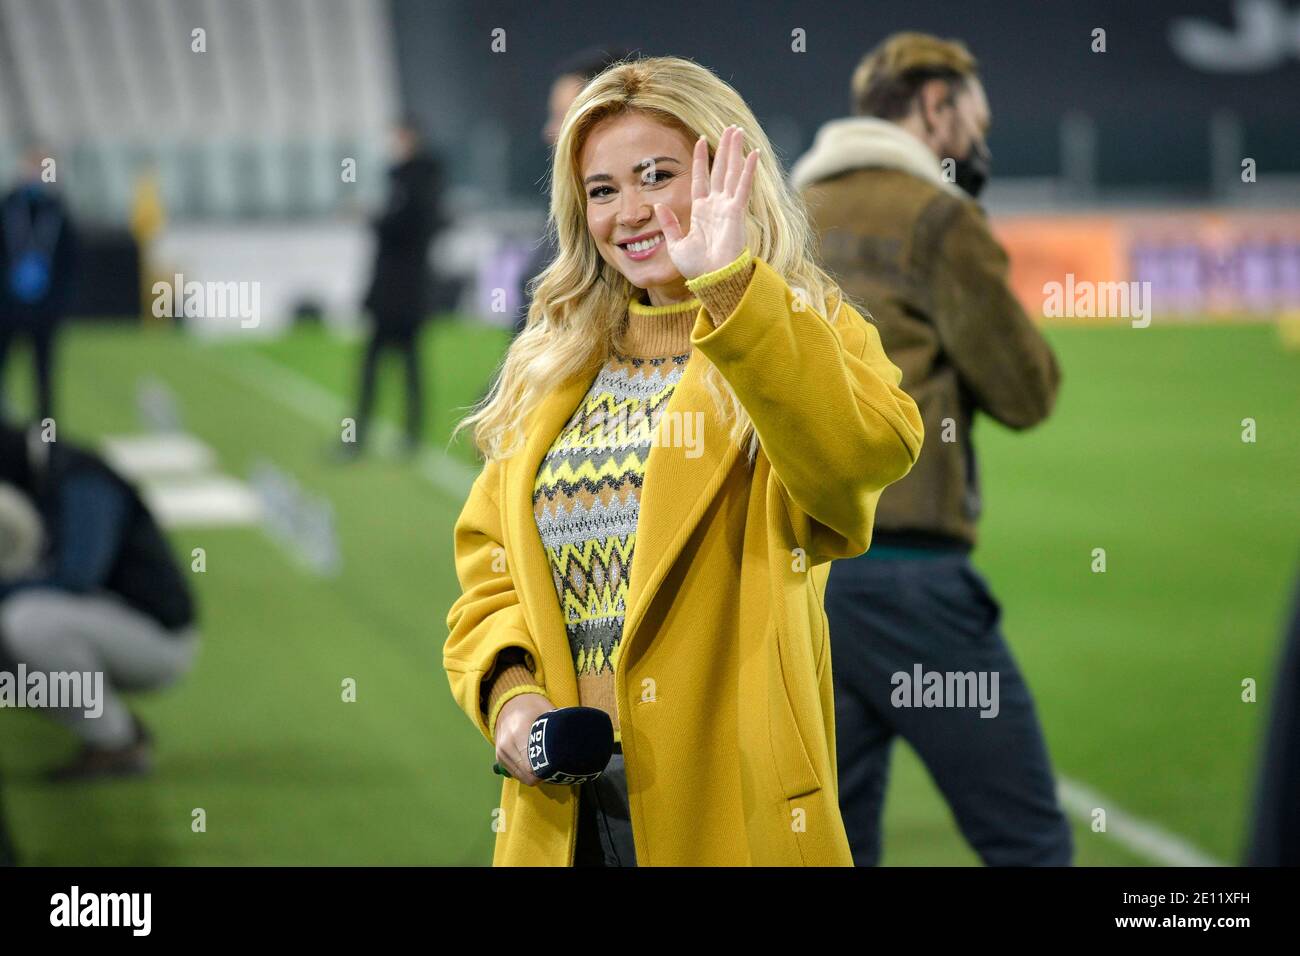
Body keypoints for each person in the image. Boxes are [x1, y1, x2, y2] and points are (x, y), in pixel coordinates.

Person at [444, 56, 924, 866]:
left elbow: (853, 467)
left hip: (729, 817)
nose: (628, 212)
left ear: (728, 174)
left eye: (656, 176)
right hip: (562, 820)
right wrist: (513, 705)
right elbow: (489, 577)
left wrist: (732, 291)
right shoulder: (553, 360)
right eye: (601, 190)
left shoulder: (806, 328)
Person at [790, 32, 1071, 865]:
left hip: (800, 578)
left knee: (833, 846)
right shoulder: (938, 215)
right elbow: (1027, 392)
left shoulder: (786, 211)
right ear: (935, 108)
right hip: (910, 573)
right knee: (1028, 843)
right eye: (973, 121)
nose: (980, 143)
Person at [0, 421, 199, 781]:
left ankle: (117, 741)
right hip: (104, 624)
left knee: (26, 623)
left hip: (156, 639)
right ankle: (112, 723)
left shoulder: (83, 479)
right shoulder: (43, 476)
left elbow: (77, 576)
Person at [345, 118, 444, 457]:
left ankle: (371, 437)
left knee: (386, 365)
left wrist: (373, 219)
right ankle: (400, 436)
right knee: (398, 365)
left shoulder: (413, 182)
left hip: (400, 294)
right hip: (405, 292)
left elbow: (401, 227)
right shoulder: (418, 181)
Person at [0, 147, 78, 422]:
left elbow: (70, 265)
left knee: (44, 378)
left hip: (44, 313)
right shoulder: (8, 207)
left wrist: (57, 307)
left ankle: (46, 436)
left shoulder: (57, 213)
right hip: (8, 310)